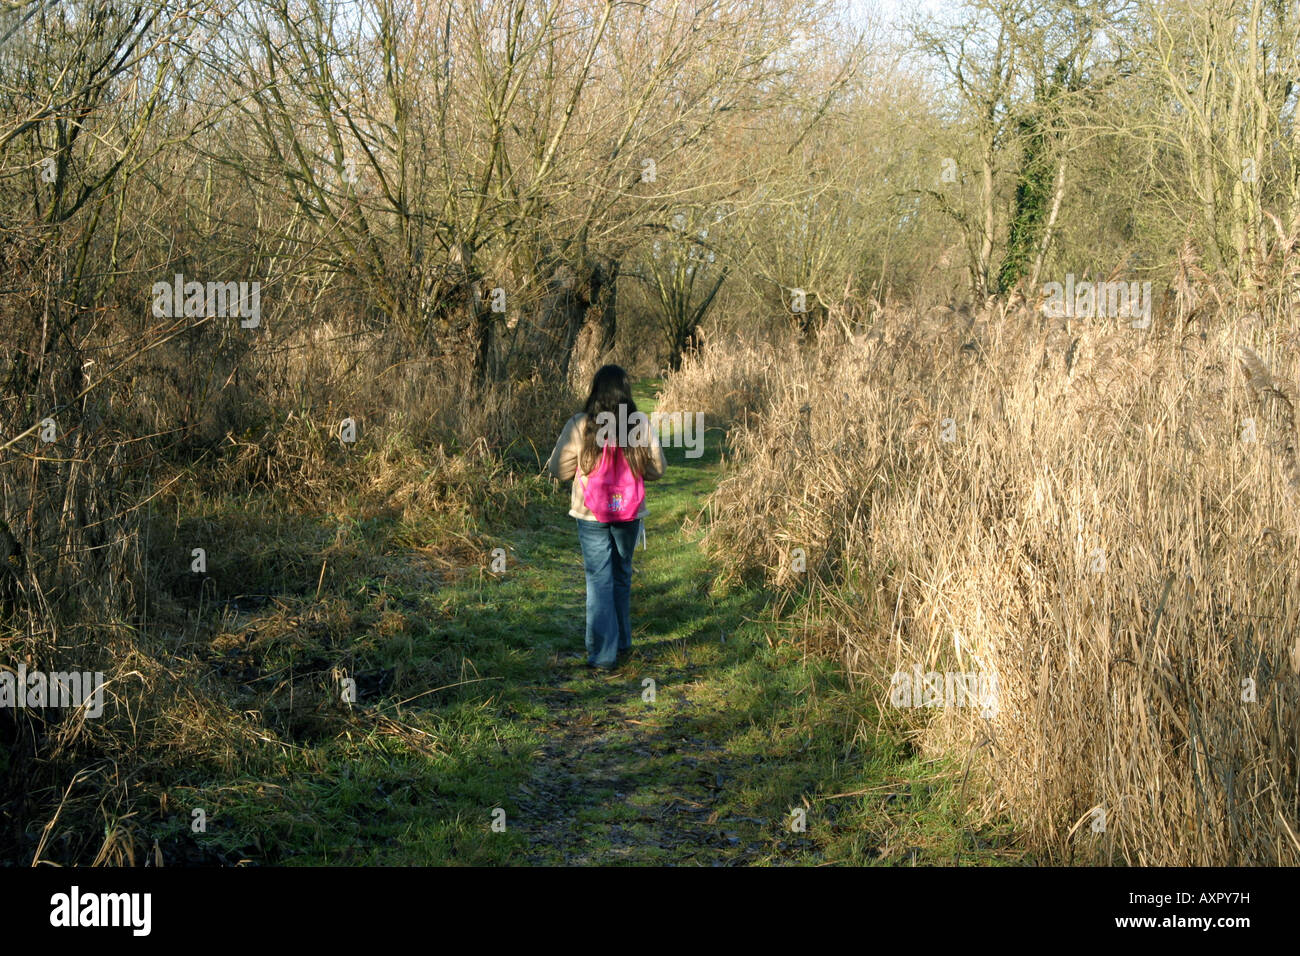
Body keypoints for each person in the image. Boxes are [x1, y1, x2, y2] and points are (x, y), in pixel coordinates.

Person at [546, 365, 666, 670]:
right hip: (629, 513)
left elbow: (558, 469)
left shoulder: (579, 425)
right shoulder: (638, 424)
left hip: (590, 513)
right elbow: (658, 469)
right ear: (627, 392)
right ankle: (623, 643)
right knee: (621, 575)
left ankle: (602, 655)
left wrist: (584, 468)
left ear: (595, 390)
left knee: (599, 578)